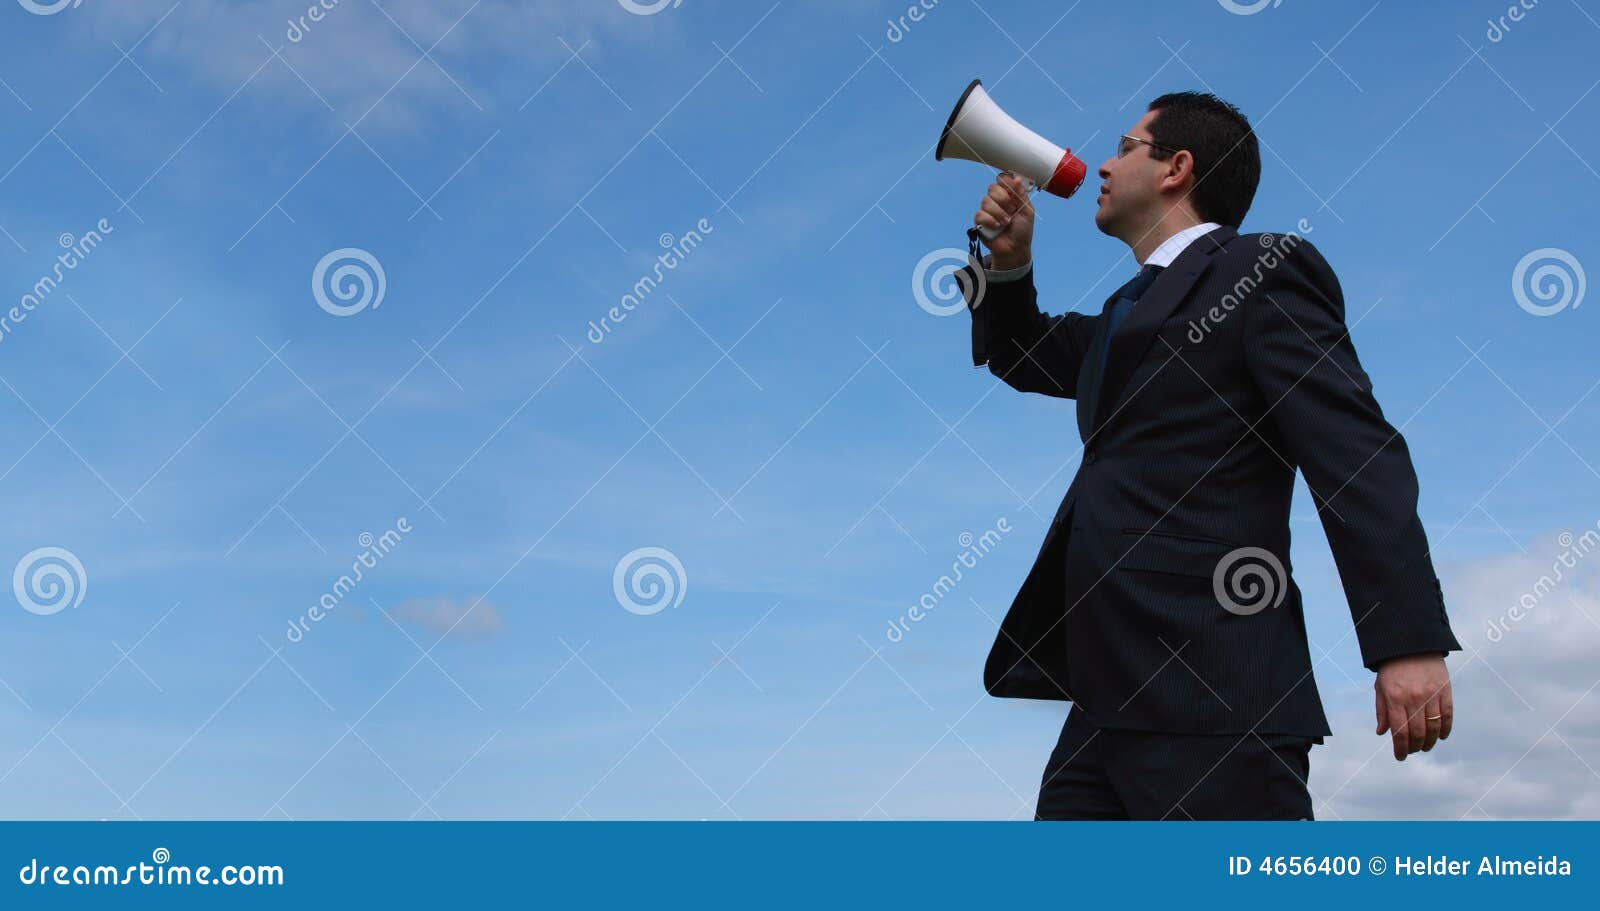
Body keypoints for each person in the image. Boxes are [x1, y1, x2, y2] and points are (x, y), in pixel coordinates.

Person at [963, 91, 1461, 820]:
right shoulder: (1121, 317)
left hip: (1217, 690)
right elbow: (1019, 350)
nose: (1103, 163)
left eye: (1127, 146)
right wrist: (1005, 268)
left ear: (1177, 168)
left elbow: (1357, 452)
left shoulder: (1263, 272)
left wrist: (1407, 640)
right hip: (1104, 701)